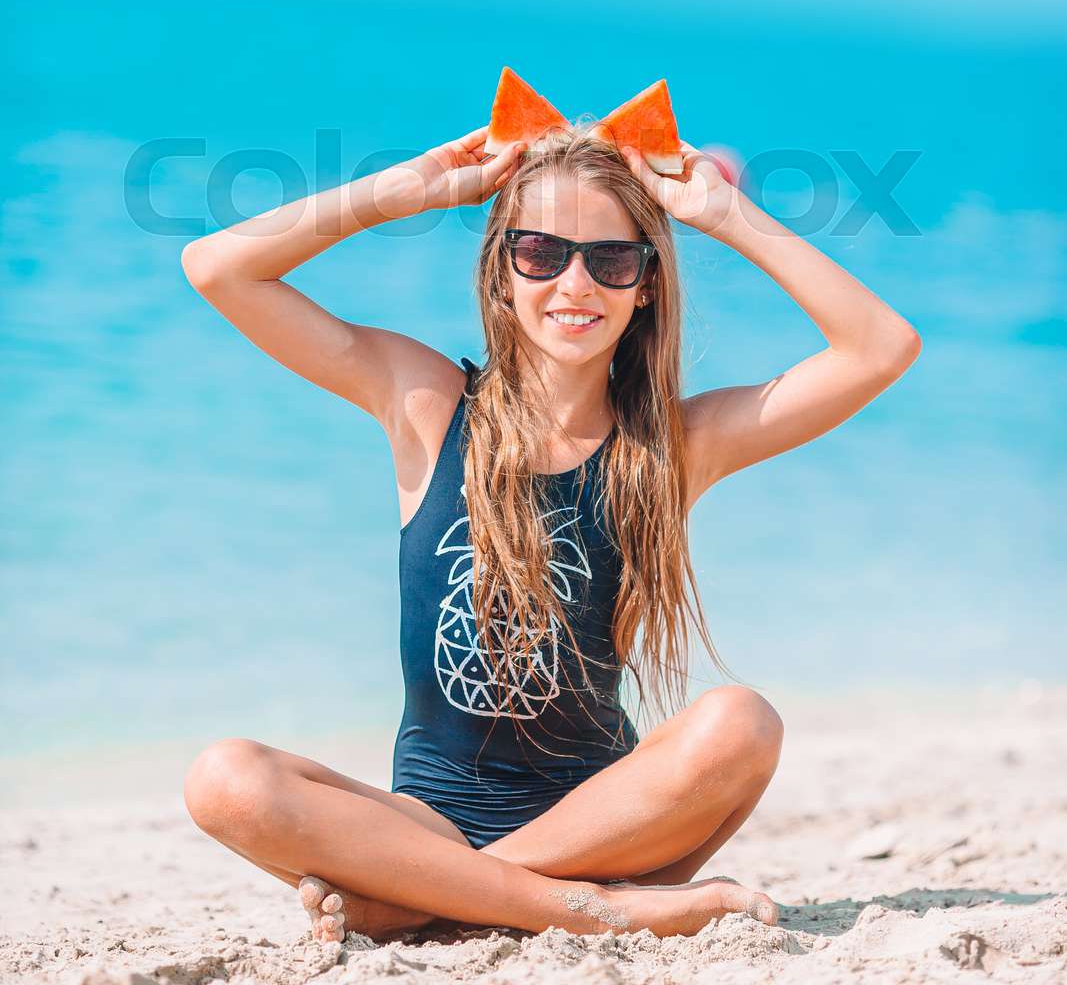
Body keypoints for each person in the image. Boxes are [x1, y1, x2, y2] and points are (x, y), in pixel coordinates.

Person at [180, 120, 921, 945]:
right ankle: (569, 908)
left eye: (610, 259)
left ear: (645, 283)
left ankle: (440, 903)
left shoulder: (671, 448)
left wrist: (724, 215)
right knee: (227, 780)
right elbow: (217, 267)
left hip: (608, 824)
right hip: (425, 828)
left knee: (741, 722)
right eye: (539, 252)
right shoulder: (425, 404)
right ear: (501, 274)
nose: (575, 283)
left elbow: (879, 347)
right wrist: (404, 192)